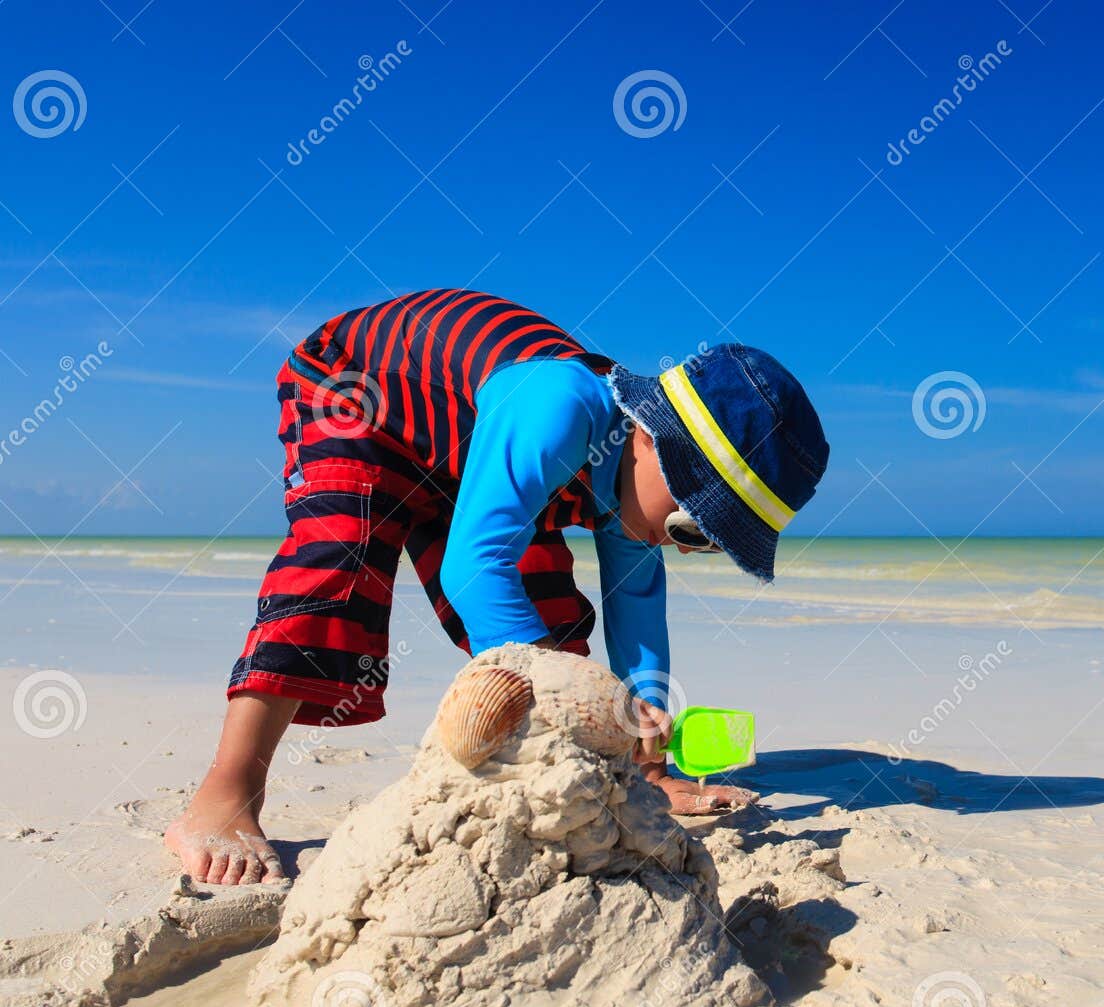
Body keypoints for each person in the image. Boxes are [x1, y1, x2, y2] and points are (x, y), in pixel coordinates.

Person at [164, 289, 830, 886]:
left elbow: (637, 610)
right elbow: (474, 568)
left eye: (708, 545)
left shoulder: (629, 481)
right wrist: (552, 701)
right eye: (692, 528)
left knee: (552, 623)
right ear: (654, 441)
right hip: (358, 392)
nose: (682, 547)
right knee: (340, 559)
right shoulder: (559, 408)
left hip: (466, 452)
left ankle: (640, 769)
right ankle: (228, 790)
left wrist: (643, 742)